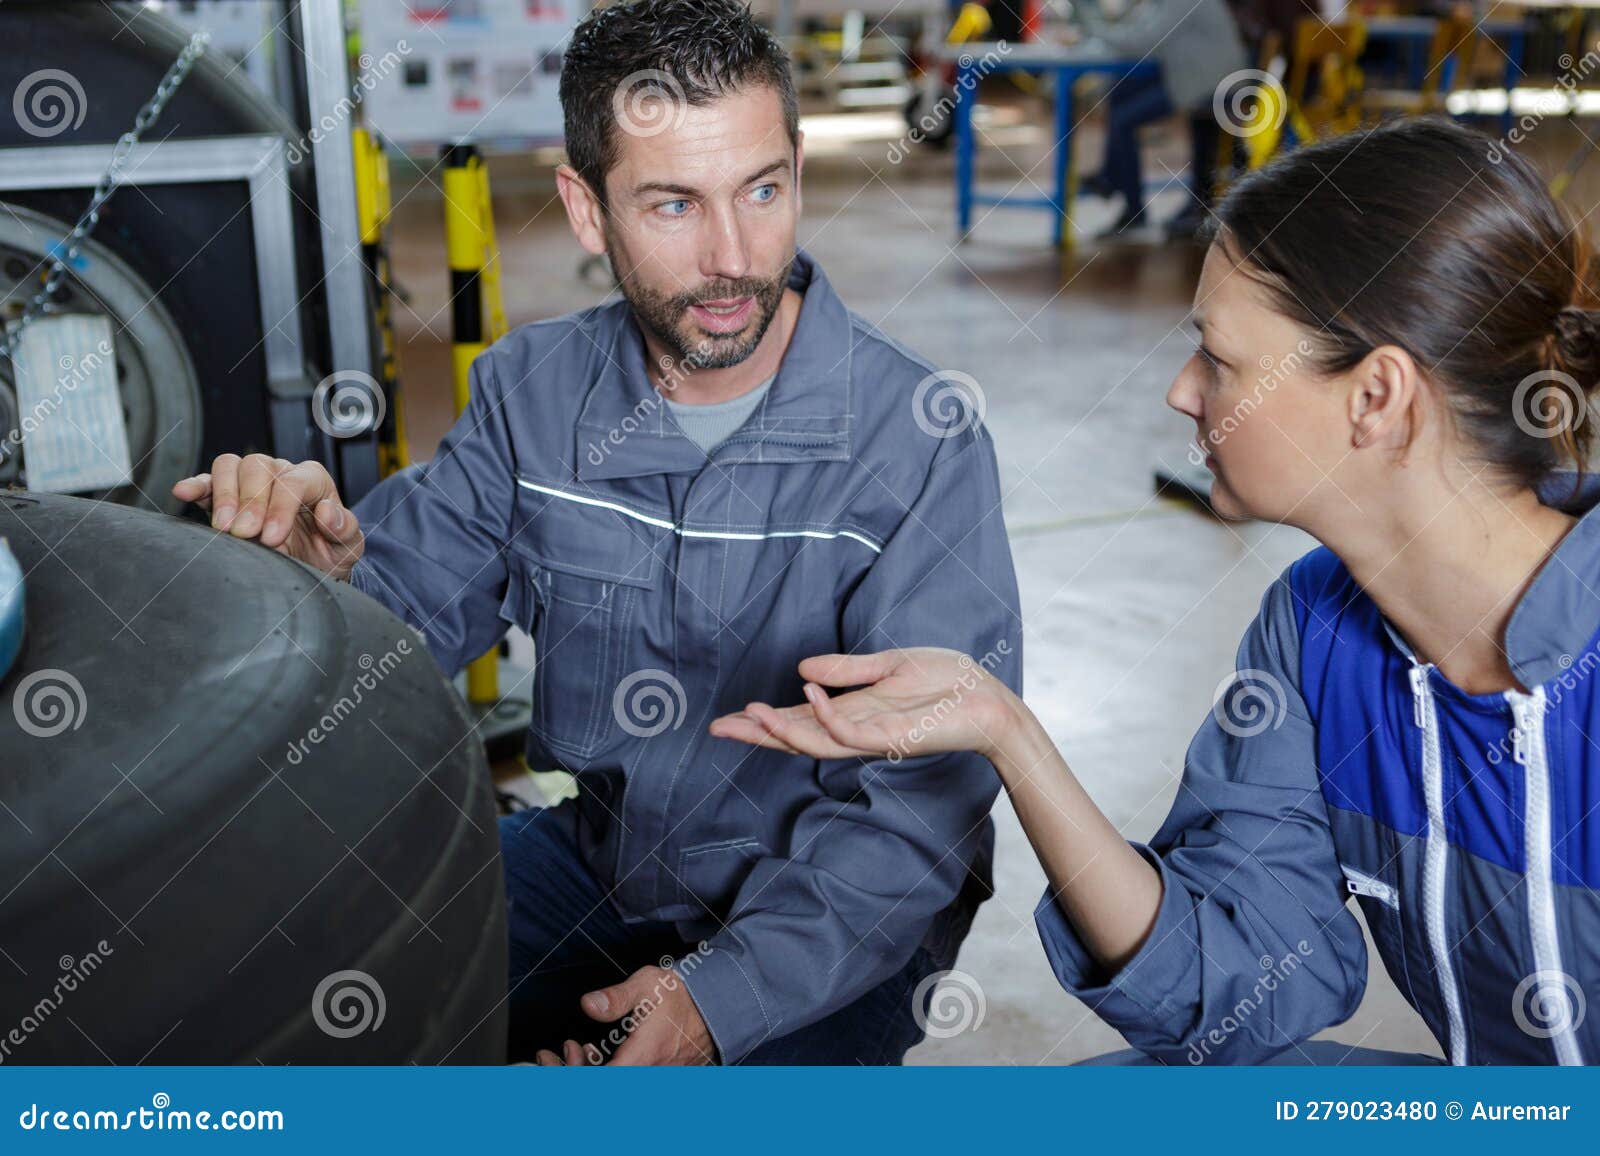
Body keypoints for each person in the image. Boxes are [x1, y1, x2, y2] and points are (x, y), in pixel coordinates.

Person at [171, 0, 1021, 1065]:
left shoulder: (919, 444)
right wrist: (320, 575)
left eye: (761, 190)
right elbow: (397, 623)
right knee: (309, 986)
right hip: (611, 868)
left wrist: (717, 999)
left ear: (797, 169)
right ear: (584, 208)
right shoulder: (534, 395)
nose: (731, 257)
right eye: (672, 204)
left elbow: (920, 809)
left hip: (837, 920)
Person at [713, 116, 1600, 1064]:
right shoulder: (1310, 636)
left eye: (1219, 359)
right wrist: (1007, 731)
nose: (1183, 391)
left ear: (1376, 398)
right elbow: (1226, 987)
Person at [1076, 0, 1248, 236]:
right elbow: (1143, 31)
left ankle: (1130, 206)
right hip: (1202, 78)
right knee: (1120, 89)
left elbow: (1144, 41)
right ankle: (1112, 178)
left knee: (1123, 120)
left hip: (1213, 86)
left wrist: (1095, 30)